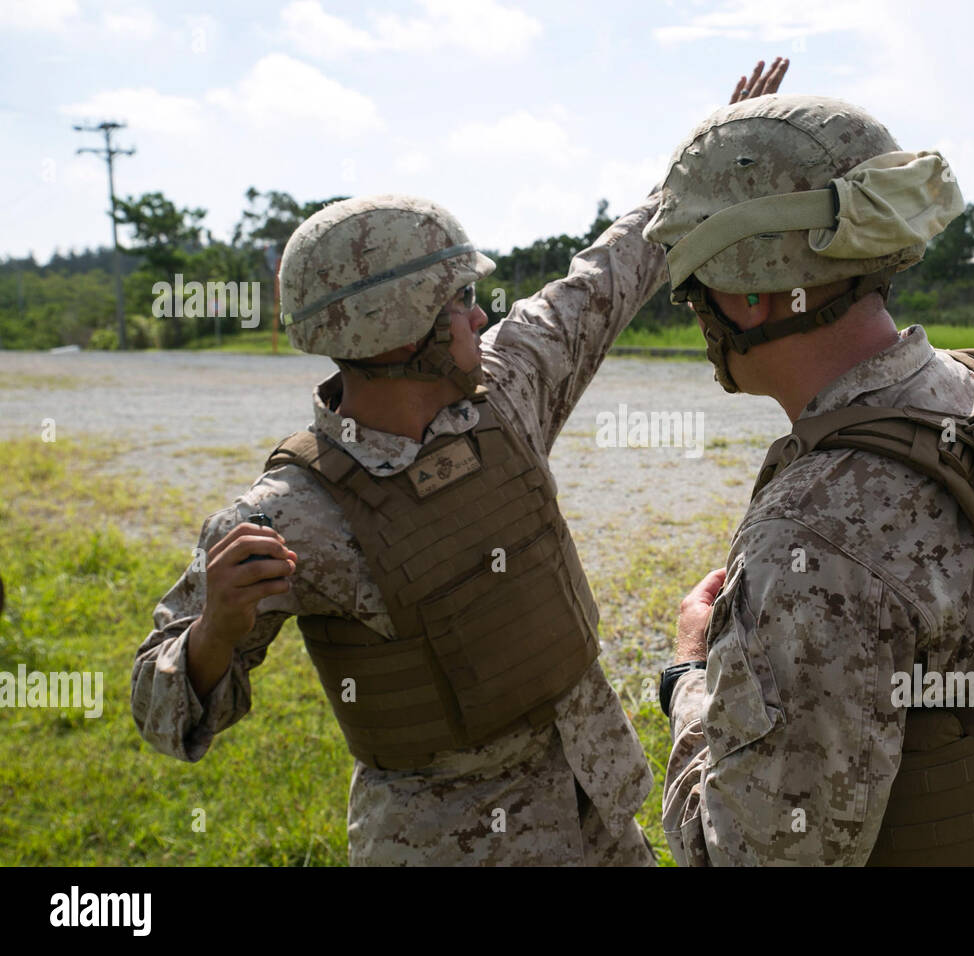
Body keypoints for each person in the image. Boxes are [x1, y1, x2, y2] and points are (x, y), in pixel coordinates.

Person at [129, 61, 790, 866]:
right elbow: (161, 711)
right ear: (401, 327)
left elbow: (608, 276)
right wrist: (213, 633)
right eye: (457, 303)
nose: (481, 314)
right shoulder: (290, 516)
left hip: (602, 821)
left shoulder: (506, 390)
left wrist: (705, 166)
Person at [646, 94, 974, 866]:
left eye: (695, 281)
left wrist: (689, 676)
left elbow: (751, 859)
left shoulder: (817, 533)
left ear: (749, 292)